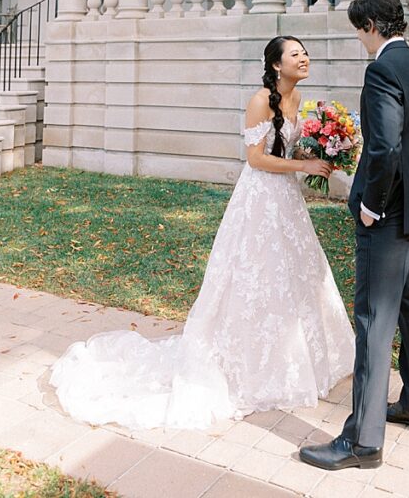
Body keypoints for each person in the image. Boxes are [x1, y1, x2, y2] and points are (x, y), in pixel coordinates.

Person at [48, 35, 353, 430]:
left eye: (305, 53)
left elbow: (288, 150)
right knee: (256, 274)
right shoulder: (261, 100)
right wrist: (303, 169)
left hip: (287, 203)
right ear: (277, 65)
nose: (304, 58)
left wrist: (318, 155)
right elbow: (257, 159)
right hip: (260, 199)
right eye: (295, 54)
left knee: (296, 274)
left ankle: (299, 356)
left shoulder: (298, 101)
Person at [301, 0, 409, 472]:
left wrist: (372, 205)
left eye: (358, 31)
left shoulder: (382, 69)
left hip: (387, 217)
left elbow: (383, 149)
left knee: (373, 321)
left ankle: (362, 442)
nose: (360, 41)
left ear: (371, 26)